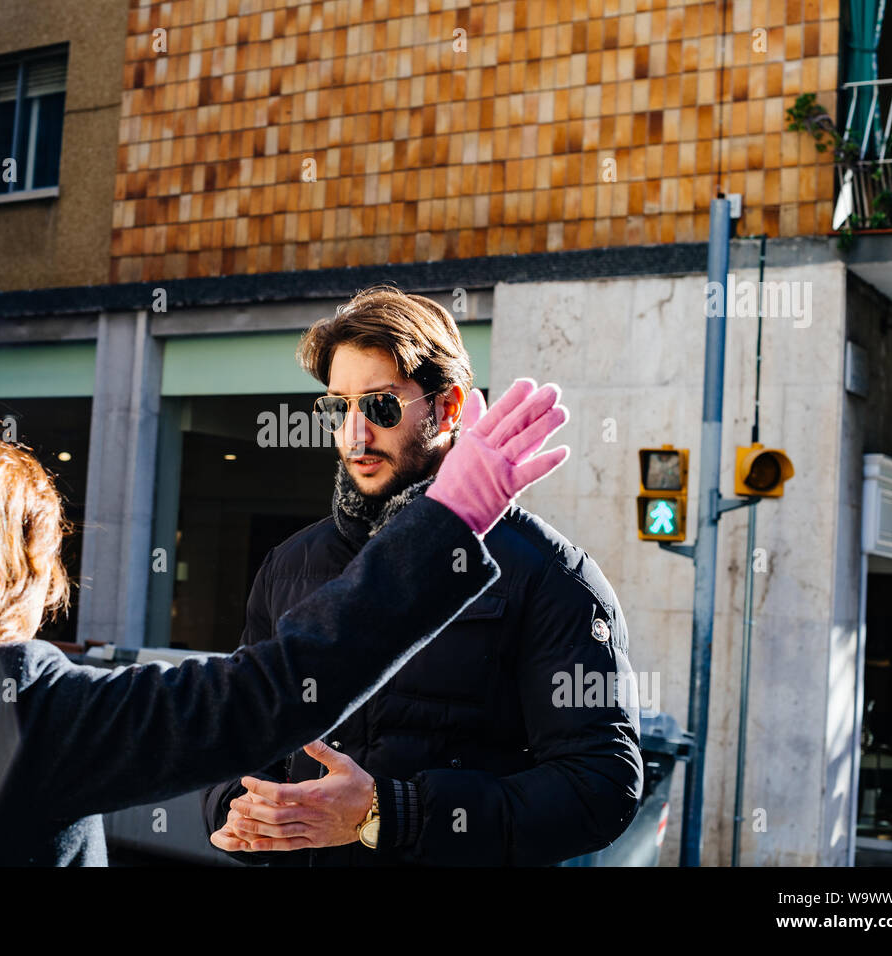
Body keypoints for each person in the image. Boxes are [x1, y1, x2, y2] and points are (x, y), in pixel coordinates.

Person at [0, 377, 567, 866]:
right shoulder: (22, 704)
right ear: (8, 560)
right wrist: (448, 525)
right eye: (43, 551)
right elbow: (266, 691)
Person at [205, 286, 642, 866]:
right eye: (338, 407)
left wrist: (389, 813)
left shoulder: (550, 575)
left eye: (382, 406)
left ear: (449, 407)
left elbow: (601, 786)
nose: (355, 435)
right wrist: (239, 808)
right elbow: (240, 730)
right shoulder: (290, 564)